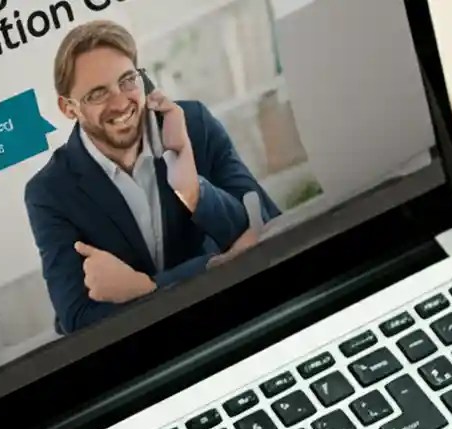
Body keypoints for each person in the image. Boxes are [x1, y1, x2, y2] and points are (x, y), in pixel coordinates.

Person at [25, 20, 280, 335]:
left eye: (127, 80)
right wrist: (212, 266)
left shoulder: (193, 125)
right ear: (69, 108)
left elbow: (269, 229)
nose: (120, 102)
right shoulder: (50, 192)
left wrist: (193, 190)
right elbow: (78, 318)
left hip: (229, 320)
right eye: (97, 94)